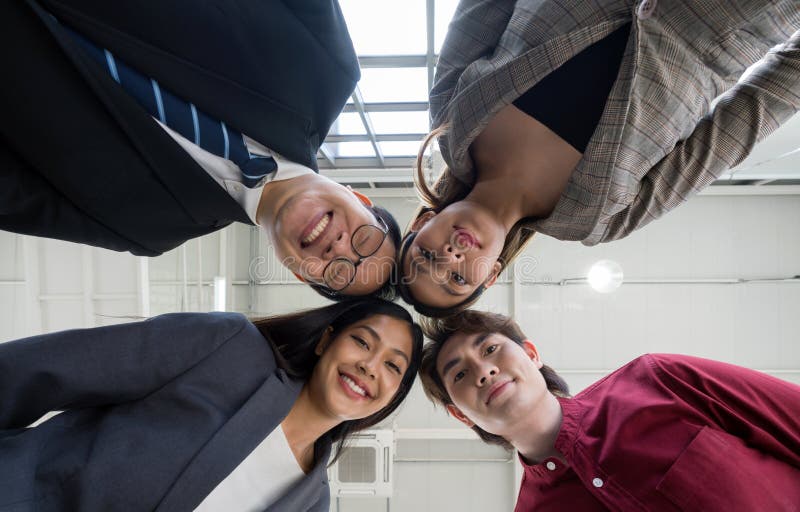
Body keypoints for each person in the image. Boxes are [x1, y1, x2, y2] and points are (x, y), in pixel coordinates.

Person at [399, 0, 800, 315]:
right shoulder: (600, 219)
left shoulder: (452, 118)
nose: (450, 256)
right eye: (456, 279)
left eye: (427, 254)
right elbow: (737, 128)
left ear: (424, 222)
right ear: (491, 275)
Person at [0, 0, 399, 299]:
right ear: (361, 198)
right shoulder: (327, 68)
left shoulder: (146, 229)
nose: (340, 248)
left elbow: (11, 195)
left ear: (299, 273)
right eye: (366, 241)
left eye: (339, 274)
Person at [0, 299, 423, 511]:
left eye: (392, 366)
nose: (370, 366)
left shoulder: (310, 503)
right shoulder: (230, 349)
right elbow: (51, 367)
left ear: (394, 394)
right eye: (362, 342)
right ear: (327, 340)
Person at [418, 310, 800, 511]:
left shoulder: (659, 380)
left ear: (532, 355)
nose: (484, 371)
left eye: (489, 350)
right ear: (461, 415)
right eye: (461, 374)